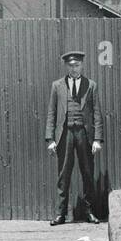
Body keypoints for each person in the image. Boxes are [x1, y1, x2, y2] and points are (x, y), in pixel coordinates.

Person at [44, 50, 104, 224]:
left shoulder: (91, 85)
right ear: (66, 66)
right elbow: (51, 113)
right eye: (71, 66)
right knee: (63, 174)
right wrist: (50, 139)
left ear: (82, 65)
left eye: (77, 65)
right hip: (65, 134)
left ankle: (89, 212)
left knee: (87, 173)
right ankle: (60, 214)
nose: (74, 69)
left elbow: (97, 114)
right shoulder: (57, 86)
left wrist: (97, 139)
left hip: (85, 135)